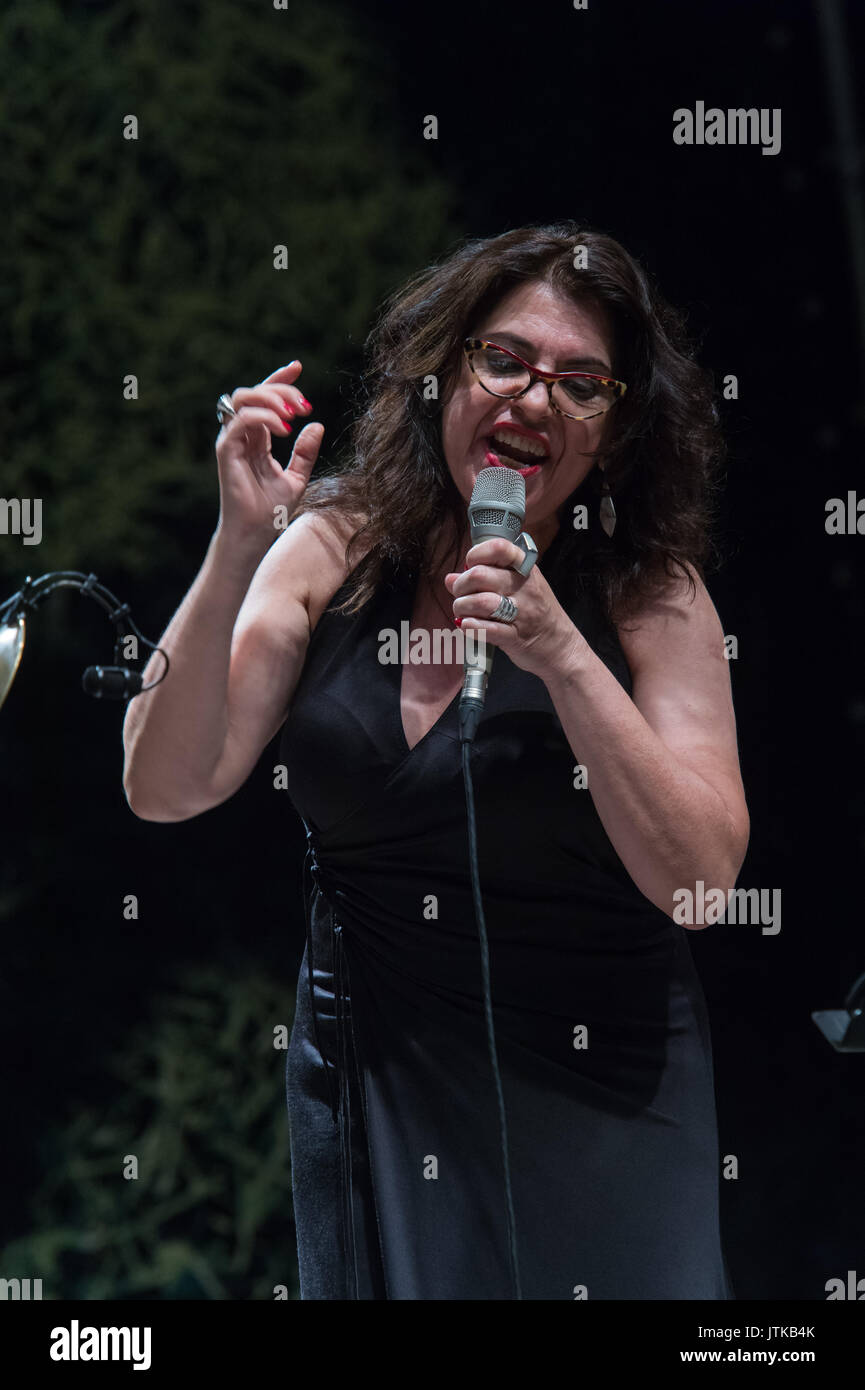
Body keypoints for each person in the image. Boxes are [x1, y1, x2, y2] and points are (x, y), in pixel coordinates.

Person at [122, 220, 749, 1300]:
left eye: (581, 382)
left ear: (613, 427)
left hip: (596, 1094)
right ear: (441, 372)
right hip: (374, 1077)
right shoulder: (334, 542)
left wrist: (560, 657)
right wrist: (237, 545)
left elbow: (698, 885)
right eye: (501, 359)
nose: (533, 398)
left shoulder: (654, 594)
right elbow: (167, 784)